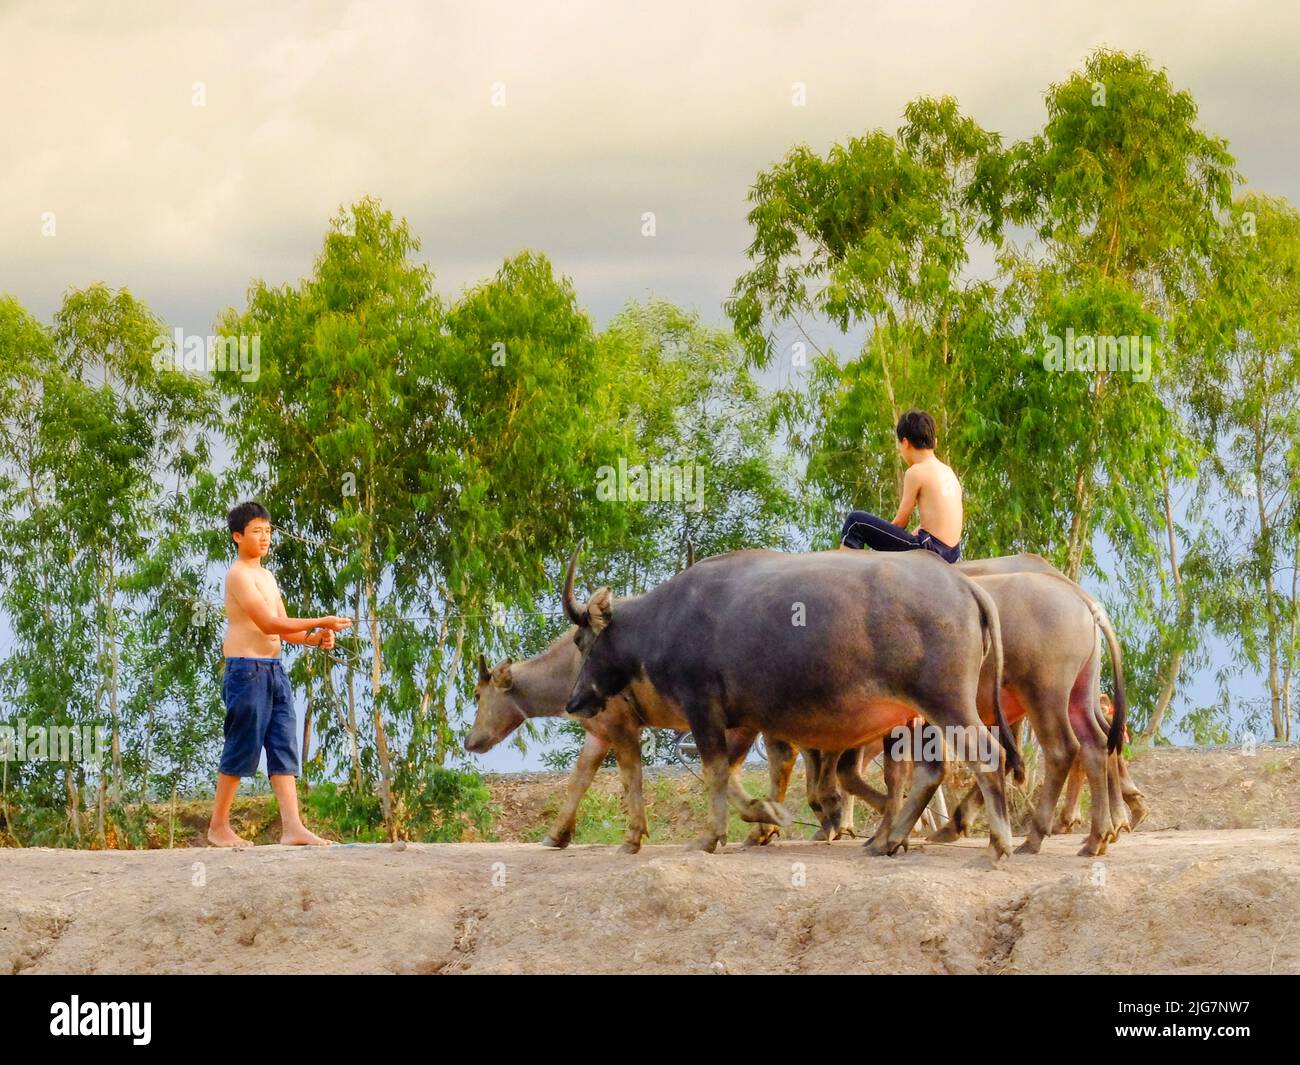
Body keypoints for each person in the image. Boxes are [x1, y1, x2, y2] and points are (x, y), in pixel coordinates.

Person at [207, 501, 353, 848]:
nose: (264, 537)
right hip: (246, 671)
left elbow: (284, 631)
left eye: (268, 531)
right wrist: (320, 620)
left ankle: (293, 828)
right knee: (242, 747)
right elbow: (268, 623)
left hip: (274, 670)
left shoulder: (267, 577)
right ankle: (218, 827)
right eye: (256, 531)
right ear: (237, 537)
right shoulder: (238, 575)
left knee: (282, 746)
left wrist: (316, 639)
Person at [837, 409, 964, 563]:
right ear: (934, 441)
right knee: (916, 533)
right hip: (952, 552)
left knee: (855, 522)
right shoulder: (947, 472)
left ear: (905, 443)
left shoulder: (916, 472)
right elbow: (935, 523)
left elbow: (900, 523)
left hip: (931, 550)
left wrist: (877, 542)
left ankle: (846, 570)